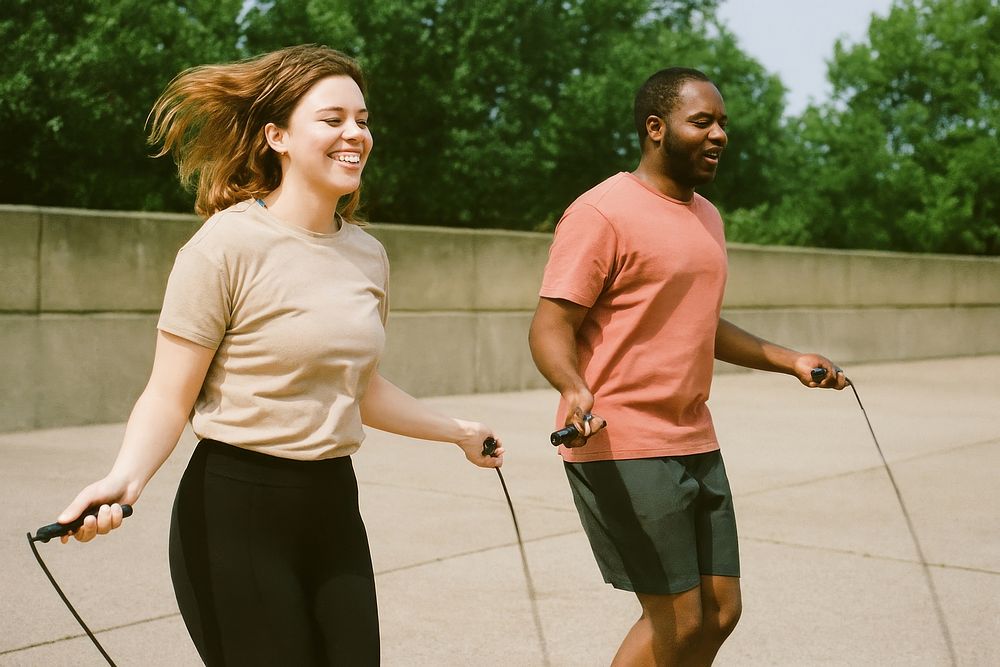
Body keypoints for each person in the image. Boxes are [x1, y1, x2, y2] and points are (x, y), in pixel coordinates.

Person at [54, 44, 504, 666]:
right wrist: (122, 482)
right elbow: (168, 394)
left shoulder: (367, 255)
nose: (355, 134)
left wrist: (458, 432)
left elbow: (358, 387)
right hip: (236, 511)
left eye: (363, 120)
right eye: (332, 119)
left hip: (333, 508)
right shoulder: (225, 246)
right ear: (278, 137)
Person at [528, 67, 847, 666]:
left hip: (694, 435)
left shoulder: (707, 216)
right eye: (702, 121)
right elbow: (550, 326)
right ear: (656, 128)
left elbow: (700, 323)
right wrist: (573, 387)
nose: (719, 134)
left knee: (721, 611)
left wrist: (790, 360)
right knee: (676, 619)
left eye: (722, 123)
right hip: (622, 440)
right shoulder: (601, 212)